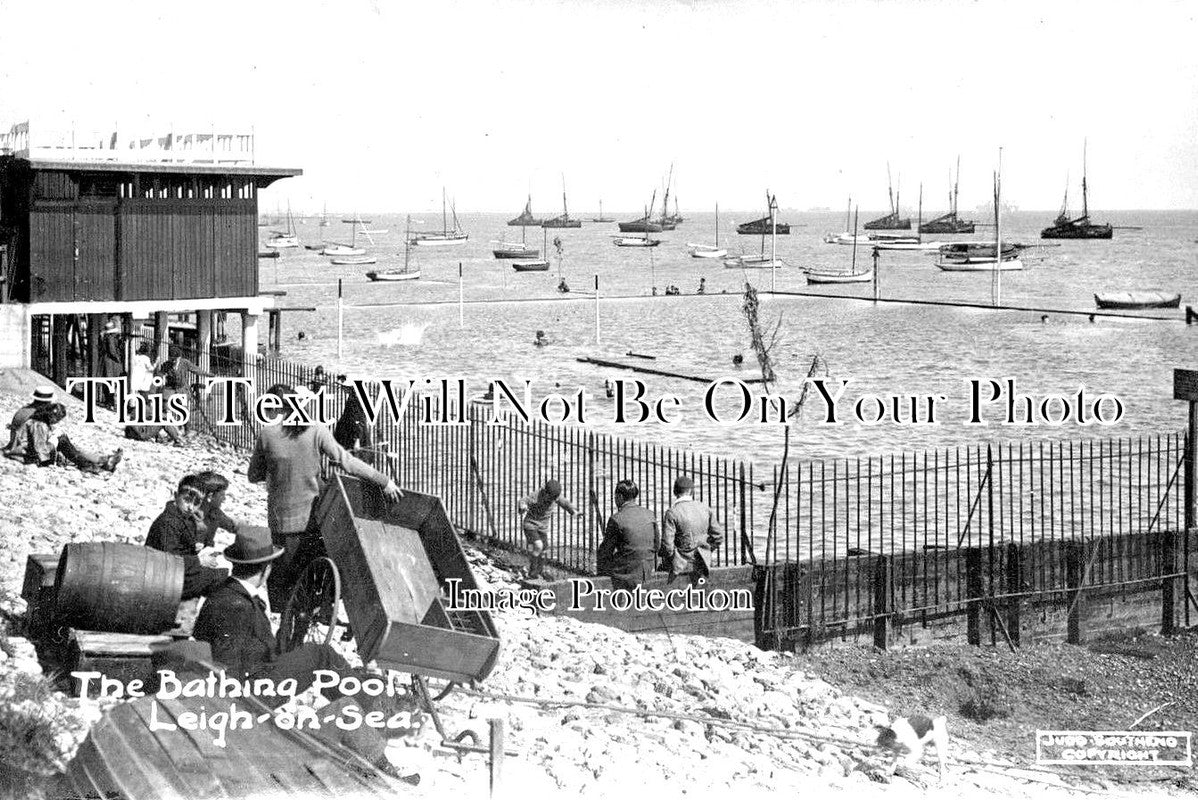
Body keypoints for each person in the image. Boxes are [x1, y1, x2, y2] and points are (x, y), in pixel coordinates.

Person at [248, 384, 403, 608]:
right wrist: (384, 481)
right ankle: (322, 604)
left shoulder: (266, 434)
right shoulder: (316, 430)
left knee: (285, 584)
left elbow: (253, 476)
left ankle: (287, 616)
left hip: (280, 521)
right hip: (310, 519)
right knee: (319, 567)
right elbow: (348, 462)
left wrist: (277, 471)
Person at [192, 525, 352, 708]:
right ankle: (376, 711)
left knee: (311, 654)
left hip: (243, 681)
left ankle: (360, 690)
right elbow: (228, 669)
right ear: (267, 569)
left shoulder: (224, 592)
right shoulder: (238, 607)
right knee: (322, 655)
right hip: (246, 696)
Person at [146, 475, 229, 599]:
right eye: (187, 500)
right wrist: (198, 560)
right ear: (175, 496)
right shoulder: (168, 522)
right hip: (163, 578)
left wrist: (195, 546)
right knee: (221, 578)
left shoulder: (183, 517)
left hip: (177, 571)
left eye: (196, 503)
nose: (190, 507)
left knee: (221, 572)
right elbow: (168, 559)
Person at [5, 402, 122, 474]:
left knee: (67, 444)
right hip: (26, 455)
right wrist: (52, 442)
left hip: (26, 450)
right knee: (64, 443)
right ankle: (98, 462)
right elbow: (40, 451)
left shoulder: (36, 418)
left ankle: (99, 461)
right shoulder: (39, 425)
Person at [659, 475, 724, 584]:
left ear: (675, 492)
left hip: (680, 566)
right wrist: (706, 550)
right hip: (703, 563)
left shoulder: (672, 512)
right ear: (691, 492)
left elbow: (667, 547)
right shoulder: (704, 508)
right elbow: (719, 537)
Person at [597, 479, 659, 591]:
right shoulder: (650, 515)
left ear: (620, 497)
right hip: (647, 568)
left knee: (603, 556)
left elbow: (606, 551)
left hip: (627, 572)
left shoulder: (616, 519)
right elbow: (657, 545)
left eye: (615, 496)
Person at [518, 478, 577, 579]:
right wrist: (523, 507)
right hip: (530, 525)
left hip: (542, 528)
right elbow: (524, 500)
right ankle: (532, 572)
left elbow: (565, 503)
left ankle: (539, 571)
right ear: (544, 492)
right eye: (549, 498)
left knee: (544, 550)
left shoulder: (555, 497)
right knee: (538, 546)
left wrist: (573, 511)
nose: (551, 501)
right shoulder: (536, 495)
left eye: (553, 499)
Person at [333, 375, 375, 466]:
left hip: (354, 434)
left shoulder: (355, 400)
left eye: (343, 387)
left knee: (356, 460)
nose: (342, 389)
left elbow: (358, 420)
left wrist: (357, 440)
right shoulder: (354, 397)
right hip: (350, 432)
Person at [194, 470, 240, 546]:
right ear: (210, 496)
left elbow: (233, 525)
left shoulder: (214, 513)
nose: (224, 499)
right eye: (222, 495)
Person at [4, 386, 55, 452]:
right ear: (47, 402)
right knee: (61, 439)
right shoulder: (39, 414)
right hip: (25, 448)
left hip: (13, 444)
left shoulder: (23, 409)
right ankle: (73, 459)